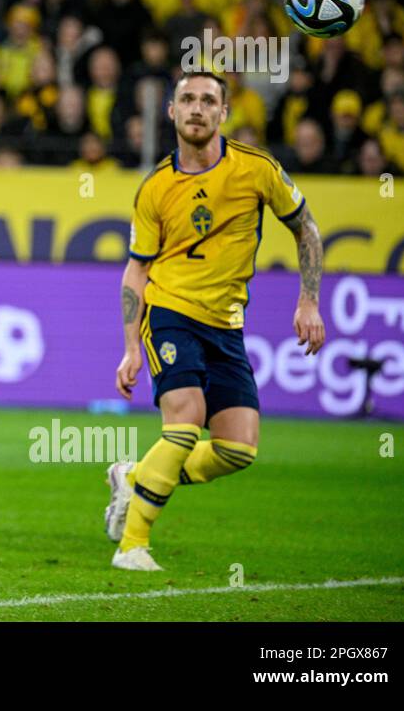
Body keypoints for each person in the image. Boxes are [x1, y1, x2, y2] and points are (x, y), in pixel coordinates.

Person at [104, 72, 325, 571]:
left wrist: (308, 300)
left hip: (226, 324)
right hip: (170, 312)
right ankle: (132, 546)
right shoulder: (156, 187)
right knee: (183, 424)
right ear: (172, 112)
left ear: (224, 113)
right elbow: (137, 267)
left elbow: (305, 227)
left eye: (208, 100)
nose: (197, 109)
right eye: (187, 100)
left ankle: (134, 477)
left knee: (236, 448)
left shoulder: (257, 169)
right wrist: (130, 345)